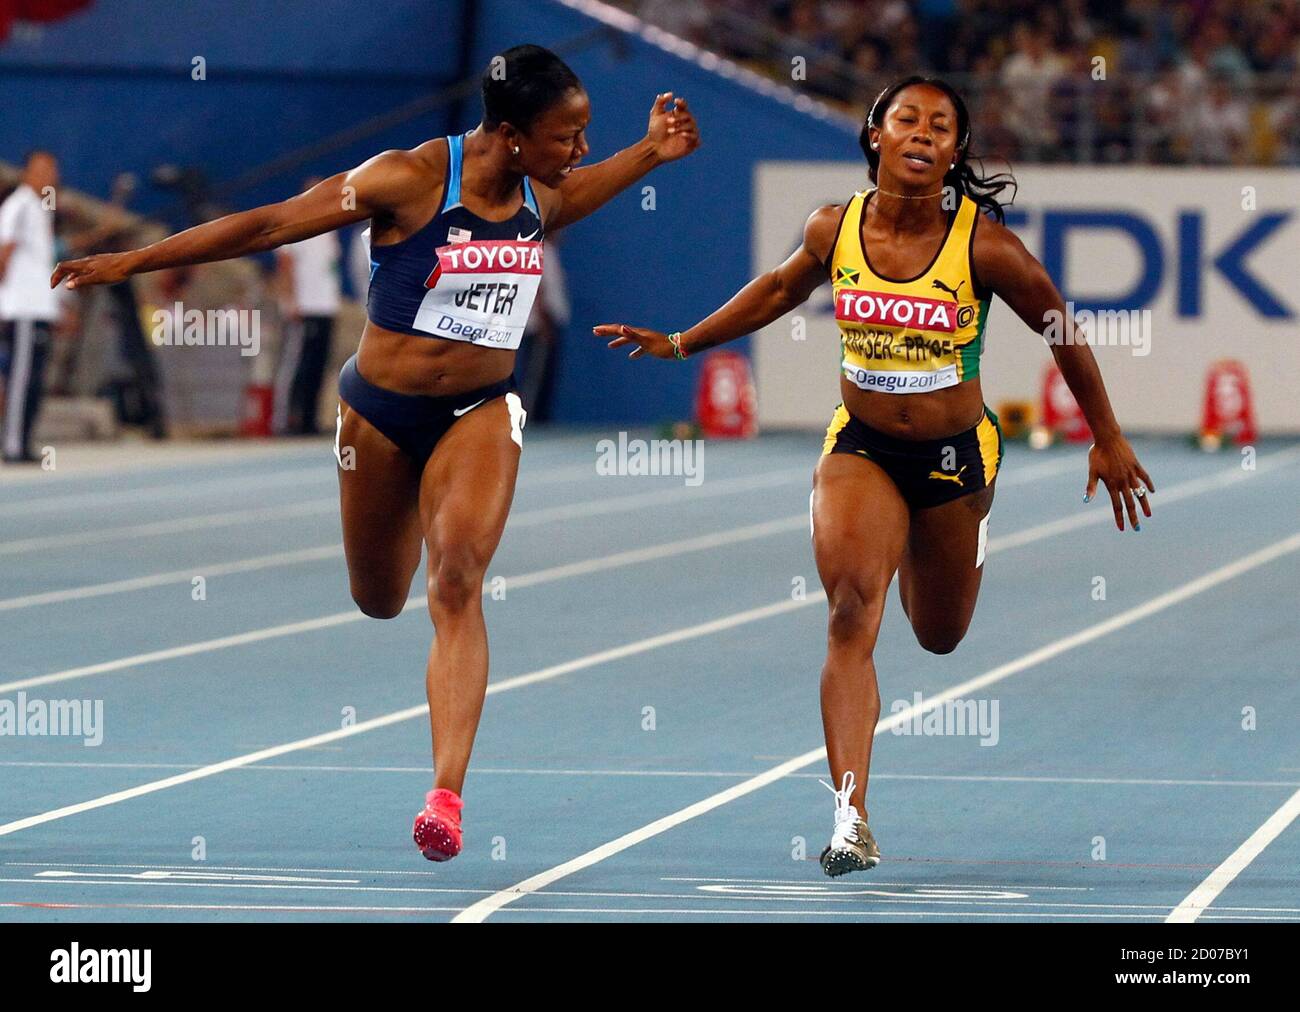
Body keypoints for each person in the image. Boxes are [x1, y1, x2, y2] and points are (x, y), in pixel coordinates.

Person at [51, 44, 700, 862]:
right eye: (568, 136)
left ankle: (445, 797)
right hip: (380, 415)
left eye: (585, 136)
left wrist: (650, 153)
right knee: (380, 597)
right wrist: (133, 262)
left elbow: (582, 194)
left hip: (480, 409)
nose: (579, 152)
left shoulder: (543, 192)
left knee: (458, 578)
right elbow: (273, 222)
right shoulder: (408, 178)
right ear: (506, 134)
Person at [593, 76, 1152, 877]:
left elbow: (1061, 325)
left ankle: (964, 538)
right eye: (908, 120)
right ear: (877, 134)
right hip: (858, 446)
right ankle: (850, 817)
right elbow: (780, 290)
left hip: (954, 456)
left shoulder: (984, 245)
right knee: (852, 608)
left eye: (941, 126)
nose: (923, 133)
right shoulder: (834, 228)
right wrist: (682, 342)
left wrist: (1107, 436)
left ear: (955, 151)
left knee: (939, 634)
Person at [0, 150, 61, 464]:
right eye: (42, 170)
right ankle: (12, 445)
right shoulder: (18, 205)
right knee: (20, 379)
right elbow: (3, 254)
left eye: (52, 171)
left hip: (40, 309)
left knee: (35, 381)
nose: (49, 177)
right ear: (27, 173)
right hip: (22, 309)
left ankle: (23, 441)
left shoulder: (41, 209)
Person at [273, 177, 342, 435]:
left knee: (318, 365)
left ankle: (308, 419)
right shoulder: (295, 222)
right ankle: (285, 420)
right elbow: (285, 265)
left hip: (326, 306)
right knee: (296, 366)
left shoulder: (330, 228)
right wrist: (290, 301)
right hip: (304, 307)